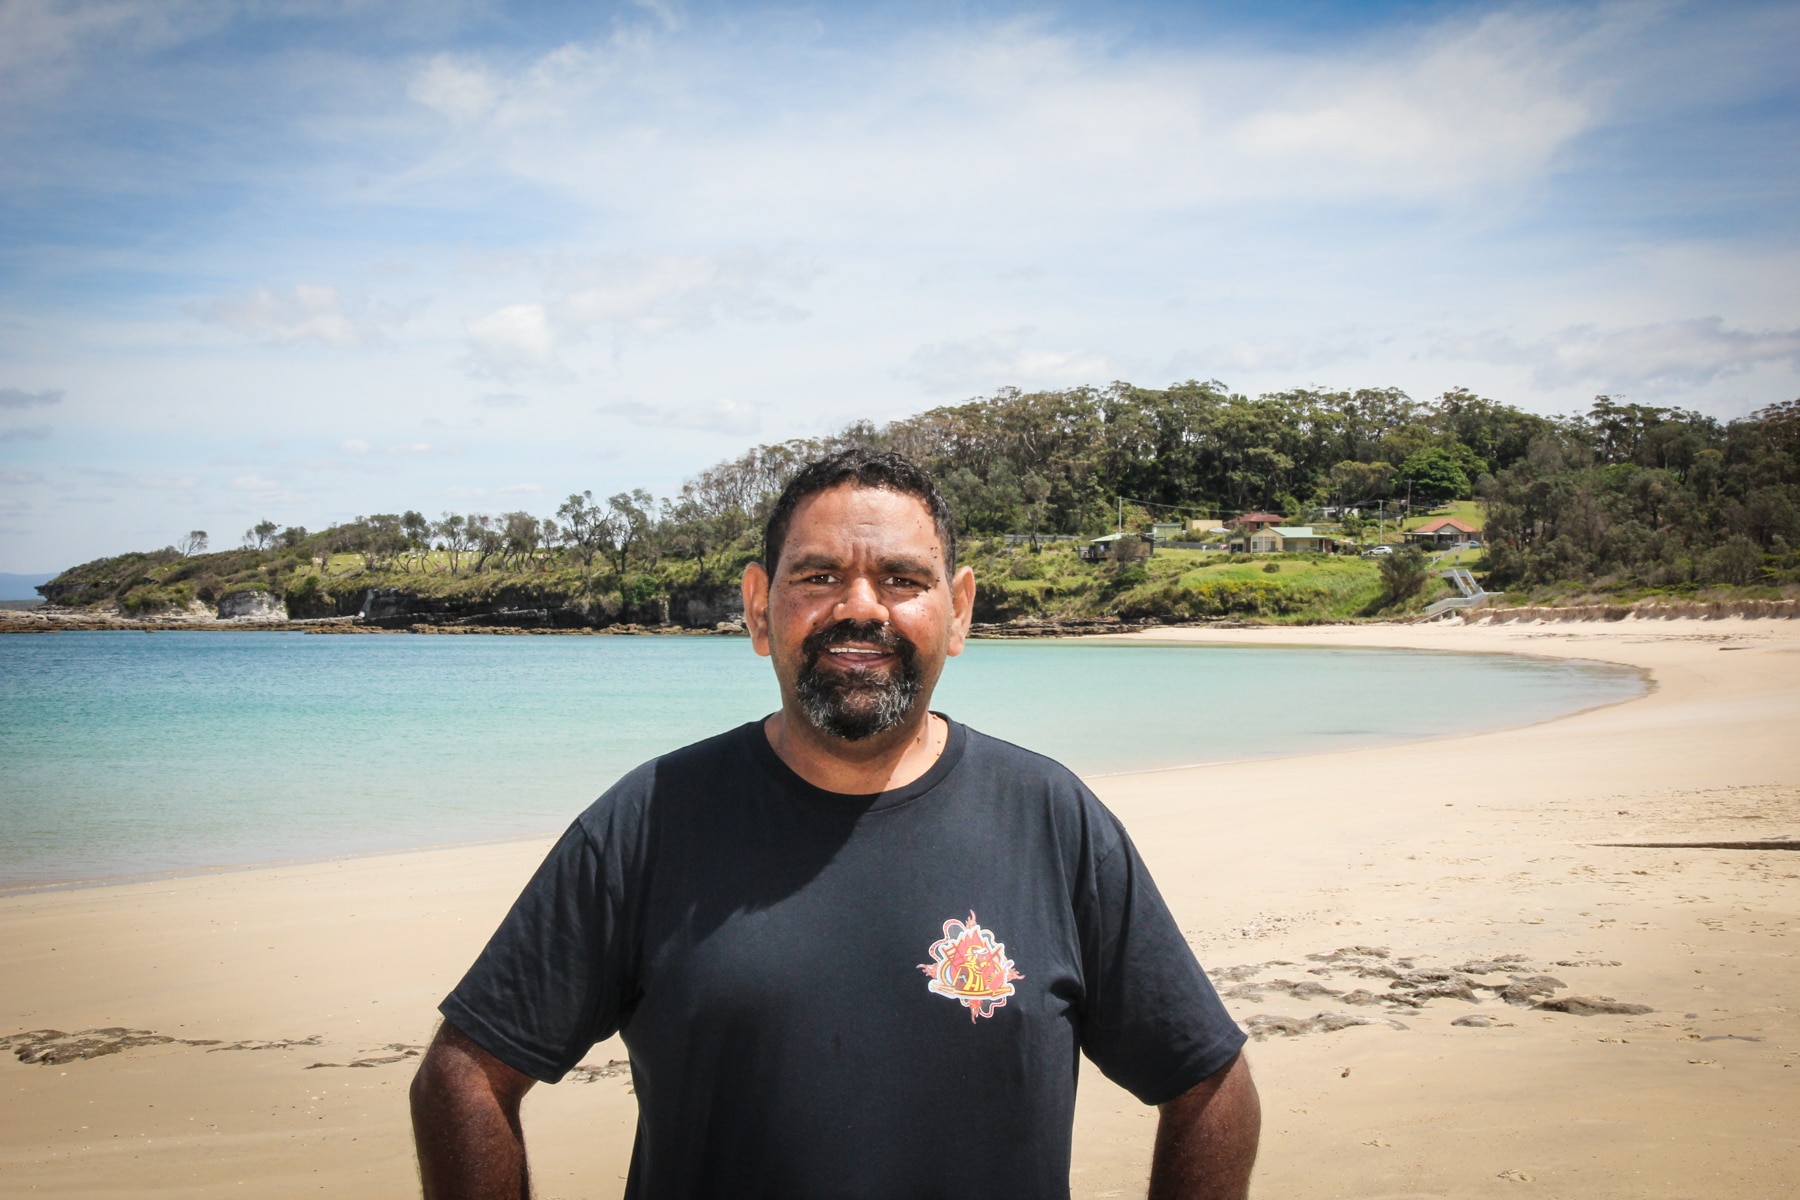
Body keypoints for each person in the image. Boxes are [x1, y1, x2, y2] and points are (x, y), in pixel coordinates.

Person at [410, 448, 1260, 1199]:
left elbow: (1209, 1082)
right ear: (756, 606)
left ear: (959, 610)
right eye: (817, 577)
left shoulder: (1050, 819)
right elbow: (464, 1077)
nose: (860, 609)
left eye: (902, 579)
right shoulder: (652, 820)